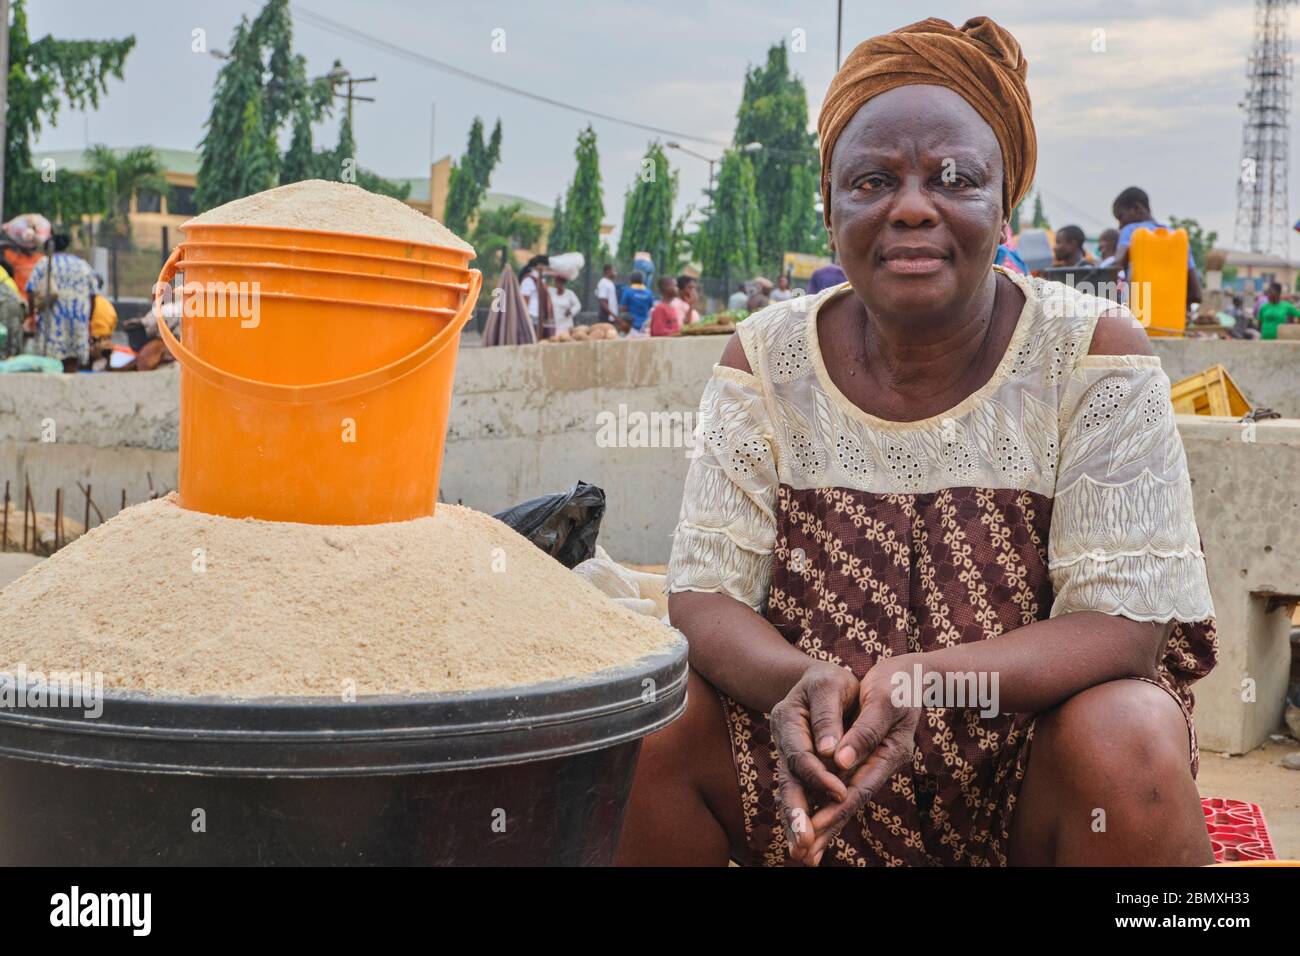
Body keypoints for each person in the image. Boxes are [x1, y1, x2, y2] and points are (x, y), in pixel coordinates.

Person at [617, 15, 1216, 868]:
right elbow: (705, 597)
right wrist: (797, 681)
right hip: (815, 767)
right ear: (831, 212)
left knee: (1130, 729)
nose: (908, 206)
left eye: (954, 178)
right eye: (870, 180)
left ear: (1002, 207)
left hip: (1026, 788)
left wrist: (929, 679)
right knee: (653, 712)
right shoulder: (765, 357)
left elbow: (1124, 631)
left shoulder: (1092, 352)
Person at [1110, 187, 1201, 304]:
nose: (1120, 226)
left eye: (1121, 217)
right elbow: (1197, 295)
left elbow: (1116, 266)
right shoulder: (1178, 237)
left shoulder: (1132, 230)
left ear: (1136, 208)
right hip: (1172, 318)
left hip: (1139, 315)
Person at [27, 233, 97, 372]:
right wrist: (88, 318)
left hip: (53, 319)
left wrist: (31, 314)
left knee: (50, 360)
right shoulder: (82, 265)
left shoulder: (44, 263)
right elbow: (93, 295)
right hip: (78, 318)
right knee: (72, 358)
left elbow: (30, 289)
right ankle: (70, 388)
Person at [518, 254, 552, 338]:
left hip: (539, 320)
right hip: (531, 319)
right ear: (539, 266)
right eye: (545, 265)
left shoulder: (540, 280)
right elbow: (524, 302)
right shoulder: (528, 280)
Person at [619, 269, 655, 338]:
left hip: (631, 326)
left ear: (631, 280)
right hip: (645, 326)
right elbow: (651, 307)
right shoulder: (649, 292)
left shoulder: (628, 292)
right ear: (643, 280)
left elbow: (622, 308)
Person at [595, 263, 621, 329]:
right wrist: (613, 315)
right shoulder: (603, 283)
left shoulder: (610, 283)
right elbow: (602, 302)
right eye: (614, 271)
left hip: (611, 317)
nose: (616, 273)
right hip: (605, 317)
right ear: (607, 271)